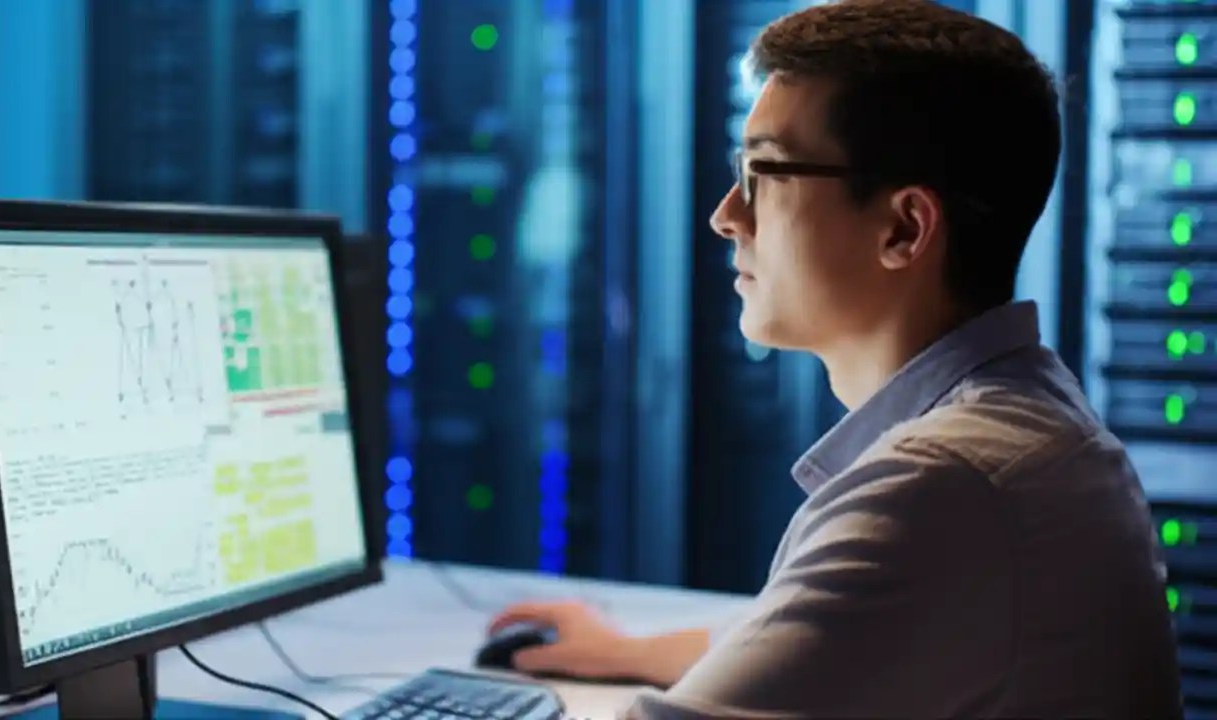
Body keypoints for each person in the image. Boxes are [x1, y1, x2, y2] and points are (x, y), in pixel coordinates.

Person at [488, 0, 1184, 717]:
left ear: (904, 228)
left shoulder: (946, 486)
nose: (727, 214)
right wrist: (629, 653)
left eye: (763, 171)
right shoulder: (1025, 428)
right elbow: (818, 630)